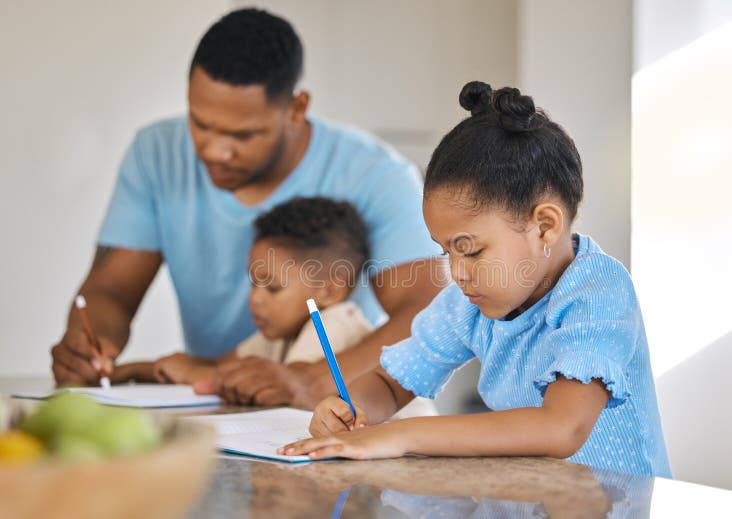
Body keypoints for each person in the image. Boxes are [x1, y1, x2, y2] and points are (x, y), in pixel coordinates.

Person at [49, 8, 442, 409]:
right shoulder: (155, 154)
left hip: (337, 408)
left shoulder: (376, 175)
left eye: (243, 134)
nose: (214, 151)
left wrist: (311, 381)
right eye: (200, 124)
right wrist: (90, 344)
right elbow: (111, 289)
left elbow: (429, 312)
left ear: (296, 108)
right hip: (227, 409)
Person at [278, 82, 672, 478]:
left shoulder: (597, 292)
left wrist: (401, 435)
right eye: (446, 251)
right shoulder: (468, 304)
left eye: (471, 250)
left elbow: (561, 428)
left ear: (545, 227)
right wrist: (351, 410)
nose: (457, 272)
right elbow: (390, 381)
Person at [146, 197, 435, 417]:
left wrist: (187, 371)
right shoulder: (277, 335)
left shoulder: (335, 323)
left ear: (329, 290)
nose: (255, 299)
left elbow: (263, 388)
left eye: (272, 288)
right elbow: (222, 367)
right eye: (253, 284)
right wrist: (130, 370)